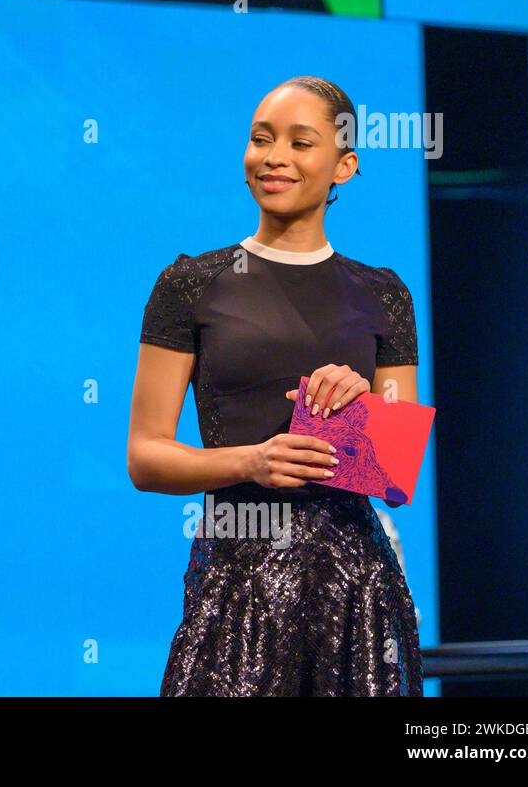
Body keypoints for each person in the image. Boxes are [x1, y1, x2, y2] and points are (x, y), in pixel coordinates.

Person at [126, 76, 423, 696]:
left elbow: (396, 477)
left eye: (300, 142)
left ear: (344, 166)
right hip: (238, 586)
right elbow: (146, 457)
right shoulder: (190, 285)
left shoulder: (384, 294)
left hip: (354, 592)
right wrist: (251, 462)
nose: (274, 157)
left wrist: (362, 406)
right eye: (261, 139)